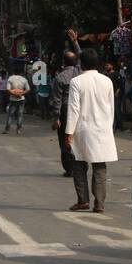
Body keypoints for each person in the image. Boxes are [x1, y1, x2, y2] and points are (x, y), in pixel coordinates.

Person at [64, 48, 117, 213]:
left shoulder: (77, 82)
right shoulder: (107, 81)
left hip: (83, 129)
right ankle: (99, 203)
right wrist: (109, 127)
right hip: (103, 128)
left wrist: (68, 132)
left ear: (81, 64)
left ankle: (83, 200)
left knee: (79, 165)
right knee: (100, 166)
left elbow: (73, 109)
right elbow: (111, 107)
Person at [51, 35, 81, 178]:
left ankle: (69, 168)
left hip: (65, 110)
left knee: (64, 139)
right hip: (79, 109)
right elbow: (82, 58)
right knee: (78, 137)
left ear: (63, 62)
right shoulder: (79, 72)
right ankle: (80, 165)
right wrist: (75, 42)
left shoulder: (60, 77)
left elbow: (56, 99)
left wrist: (56, 118)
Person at [3, 65, 29, 135]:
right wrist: (20, 94)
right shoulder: (24, 79)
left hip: (13, 98)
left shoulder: (10, 78)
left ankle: (7, 130)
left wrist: (15, 94)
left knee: (10, 114)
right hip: (21, 98)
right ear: (21, 72)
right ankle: (18, 130)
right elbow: (28, 89)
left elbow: (8, 89)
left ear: (14, 72)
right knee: (20, 115)